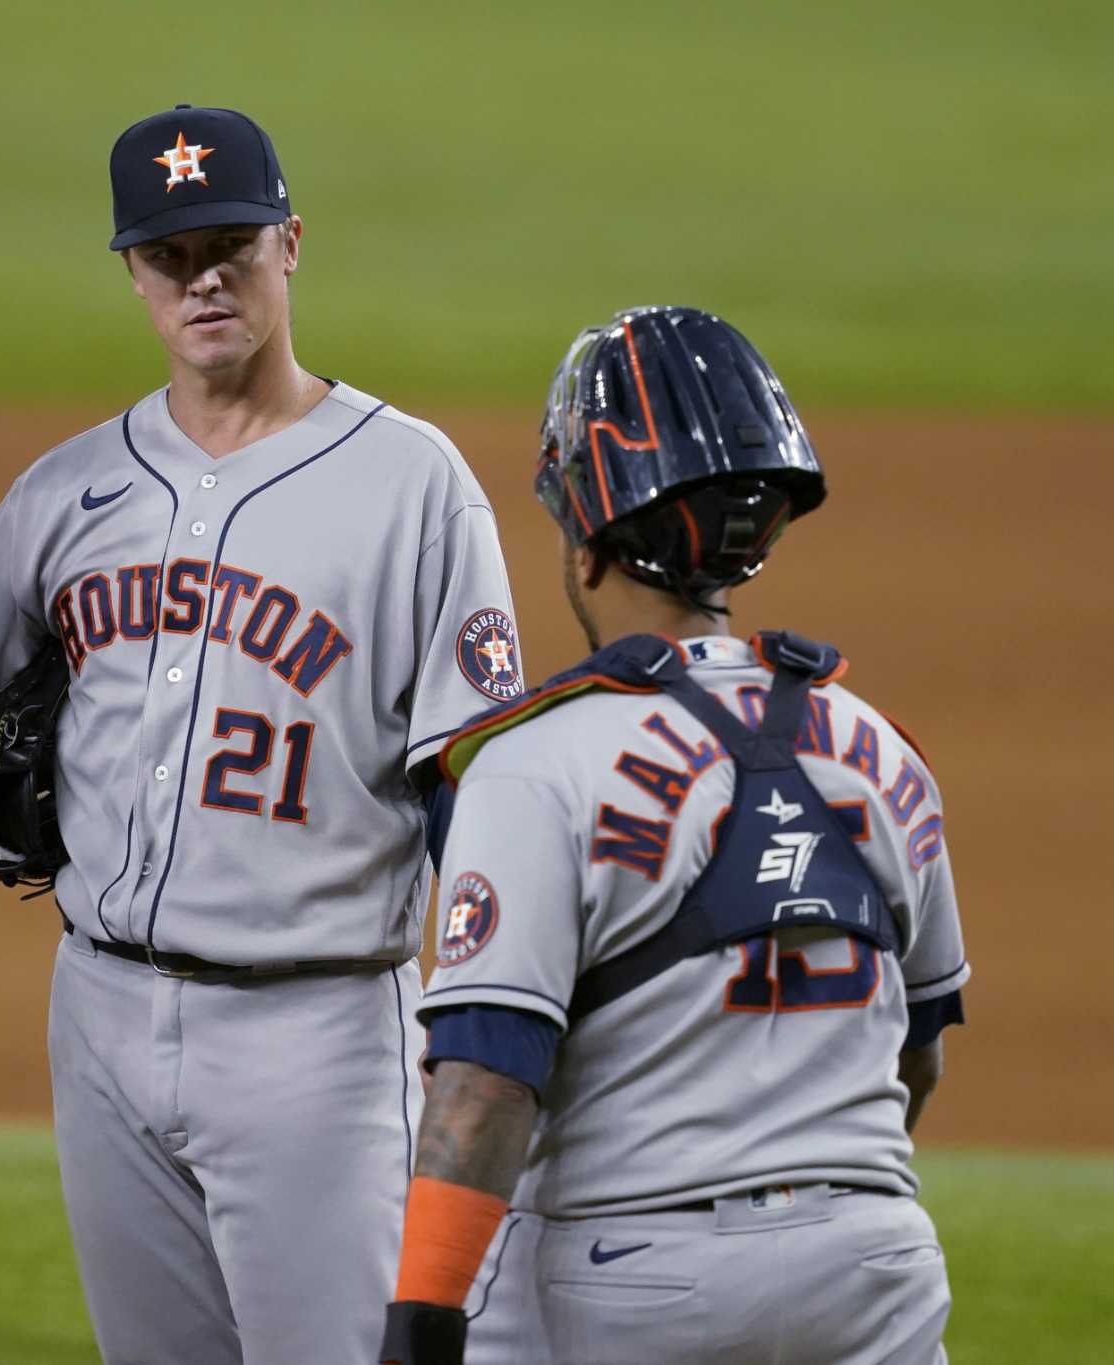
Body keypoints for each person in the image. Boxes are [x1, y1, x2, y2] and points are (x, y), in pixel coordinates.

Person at [0, 104, 524, 1364]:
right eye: (168, 256)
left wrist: (491, 1009)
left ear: (290, 245)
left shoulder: (412, 486)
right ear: (132, 272)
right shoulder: (63, 492)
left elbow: (473, 781)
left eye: (229, 246)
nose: (201, 279)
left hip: (317, 1034)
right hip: (99, 1017)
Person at [380, 305, 967, 1365]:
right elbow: (913, 1057)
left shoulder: (532, 764)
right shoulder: (883, 751)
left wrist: (417, 1328)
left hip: (633, 1280)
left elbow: (481, 1092)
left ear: (584, 538)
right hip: (876, 1269)